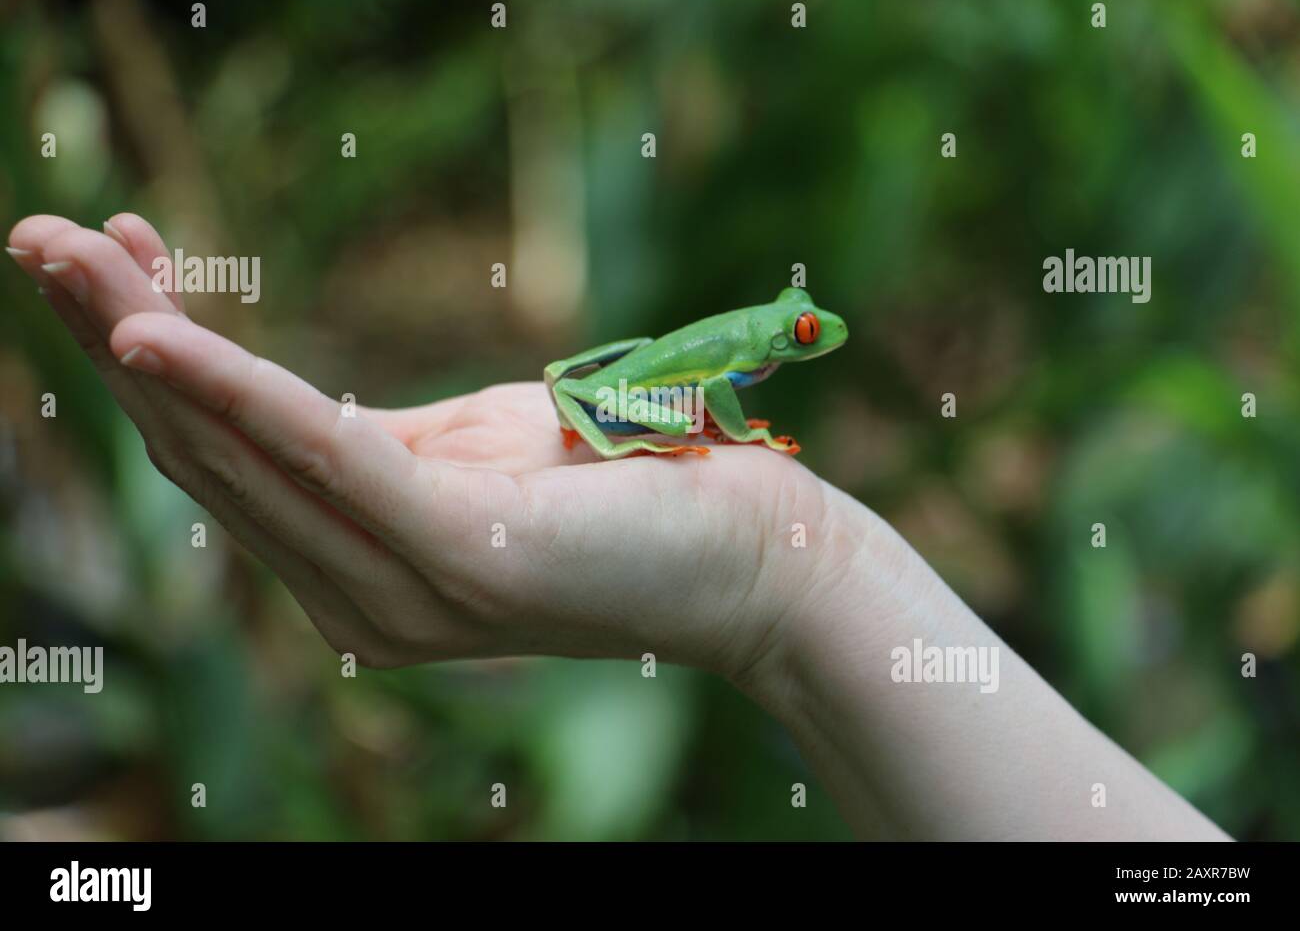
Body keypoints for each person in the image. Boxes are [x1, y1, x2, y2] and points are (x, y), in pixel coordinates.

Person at [7, 214, 1230, 840]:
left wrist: (786, 564)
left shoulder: (752, 353)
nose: (803, 342)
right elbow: (709, 397)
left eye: (797, 336)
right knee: (685, 404)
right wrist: (753, 508)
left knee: (681, 400)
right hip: (622, 395)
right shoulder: (746, 360)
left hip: (612, 380)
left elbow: (718, 398)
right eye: (798, 333)